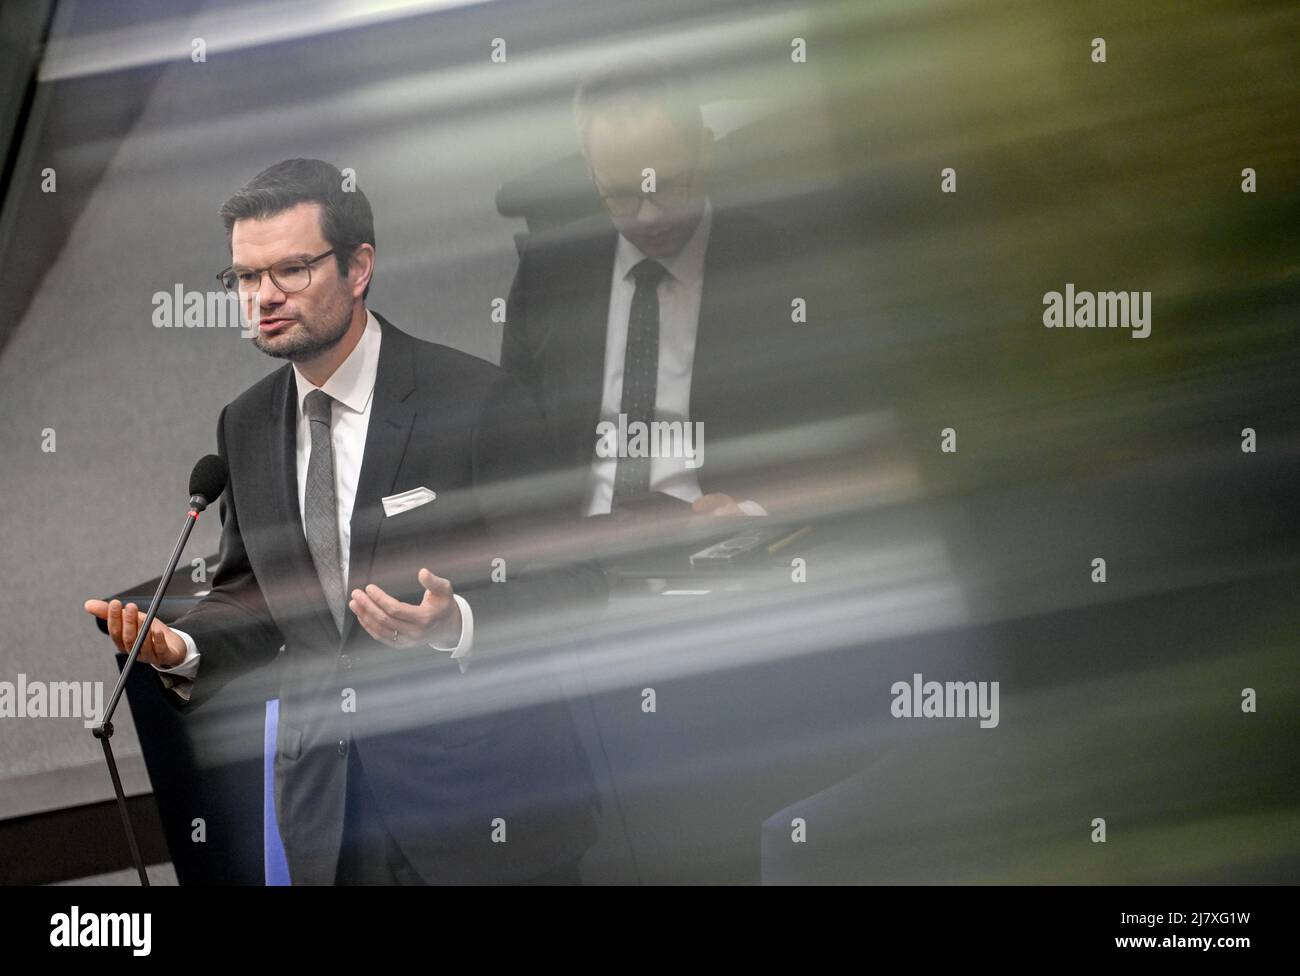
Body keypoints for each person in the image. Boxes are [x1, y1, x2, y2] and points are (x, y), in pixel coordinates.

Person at [85, 158, 602, 885]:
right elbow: (257, 596)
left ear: (359, 268)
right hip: (330, 818)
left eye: (291, 270)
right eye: (244, 277)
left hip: (484, 812)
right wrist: (184, 646)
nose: (263, 297)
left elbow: (578, 585)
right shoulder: (248, 423)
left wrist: (456, 626)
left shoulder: (478, 403)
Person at [502, 57, 820, 521]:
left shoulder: (782, 272)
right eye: (621, 196)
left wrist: (752, 512)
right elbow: (515, 436)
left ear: (705, 153)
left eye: (668, 188)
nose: (648, 216)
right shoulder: (548, 273)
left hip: (716, 548)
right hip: (581, 555)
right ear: (592, 176)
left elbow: (829, 429)